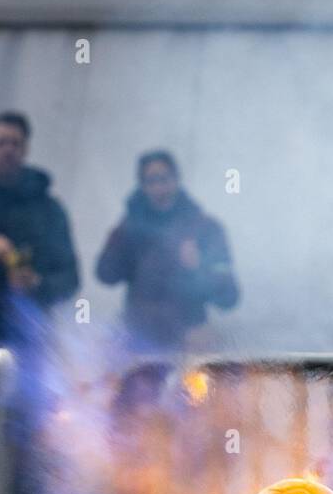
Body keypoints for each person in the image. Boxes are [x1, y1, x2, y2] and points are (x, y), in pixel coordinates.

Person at [0, 112, 79, 346]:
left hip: (29, 340)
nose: (8, 150)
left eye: (15, 143)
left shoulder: (49, 210)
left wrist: (37, 283)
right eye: (1, 142)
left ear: (26, 148)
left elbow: (70, 278)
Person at [96, 150, 239, 351]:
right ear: (142, 185)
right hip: (138, 342)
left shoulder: (205, 229)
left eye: (164, 179)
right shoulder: (129, 227)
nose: (158, 187)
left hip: (189, 341)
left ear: (176, 179)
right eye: (150, 181)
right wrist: (123, 240)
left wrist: (200, 267)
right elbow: (105, 275)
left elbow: (229, 297)